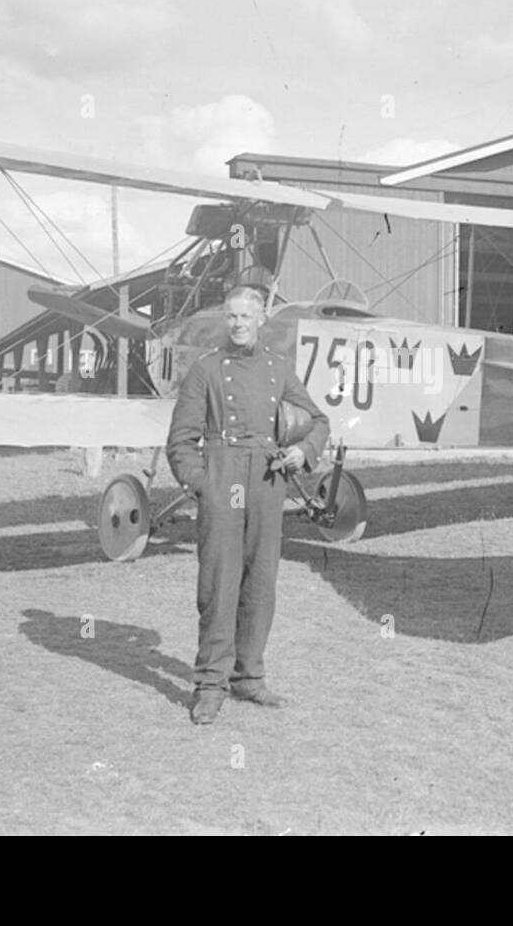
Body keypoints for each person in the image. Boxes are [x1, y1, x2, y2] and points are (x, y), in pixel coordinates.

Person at [165, 286, 330, 725]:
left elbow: (318, 421)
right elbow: (180, 442)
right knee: (218, 584)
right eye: (232, 317)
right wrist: (204, 485)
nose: (238, 324)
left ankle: (249, 677)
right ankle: (210, 684)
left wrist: (303, 453)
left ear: (261, 320)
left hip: (267, 480)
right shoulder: (205, 371)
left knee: (261, 582)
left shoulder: (279, 370)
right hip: (222, 476)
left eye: (246, 316)